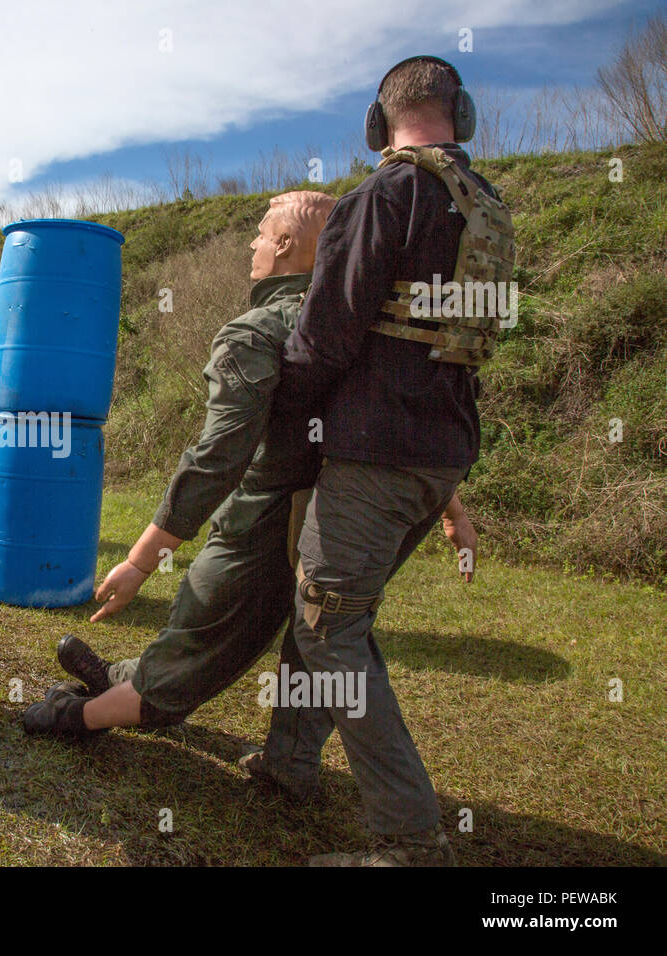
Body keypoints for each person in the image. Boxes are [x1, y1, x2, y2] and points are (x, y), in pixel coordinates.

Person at [245, 54, 514, 866]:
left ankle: (410, 837)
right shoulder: (489, 210)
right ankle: (291, 763)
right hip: (441, 455)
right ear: (459, 115)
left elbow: (323, 335)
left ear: (376, 122)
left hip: (376, 452)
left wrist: (280, 423)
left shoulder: (384, 196)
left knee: (331, 629)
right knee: (330, 611)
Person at [22, 190, 339, 737]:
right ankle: (288, 765)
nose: (252, 242)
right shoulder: (355, 326)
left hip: (266, 520)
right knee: (313, 644)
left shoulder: (255, 330)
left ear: (286, 244)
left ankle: (78, 714)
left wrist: (142, 561)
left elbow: (218, 458)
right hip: (346, 521)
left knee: (199, 636)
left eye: (262, 232)